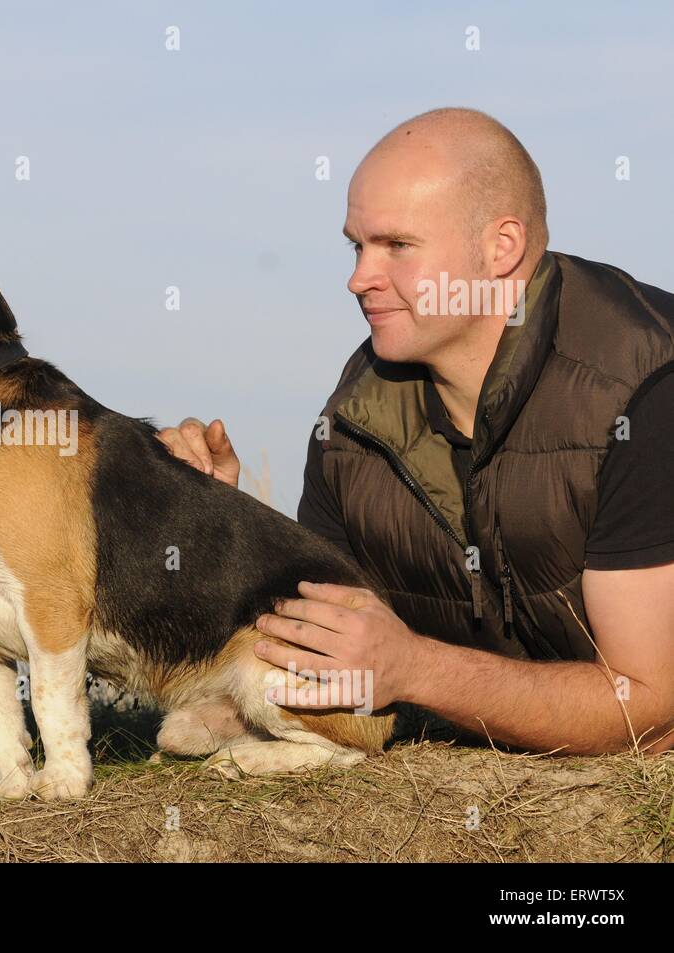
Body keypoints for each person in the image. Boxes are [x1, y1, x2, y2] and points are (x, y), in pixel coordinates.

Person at [158, 108, 674, 755]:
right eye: (357, 245)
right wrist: (215, 520)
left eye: (397, 246)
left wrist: (418, 669)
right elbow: (318, 638)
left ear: (501, 247)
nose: (358, 278)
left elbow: (649, 709)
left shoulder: (642, 388)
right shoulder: (354, 421)